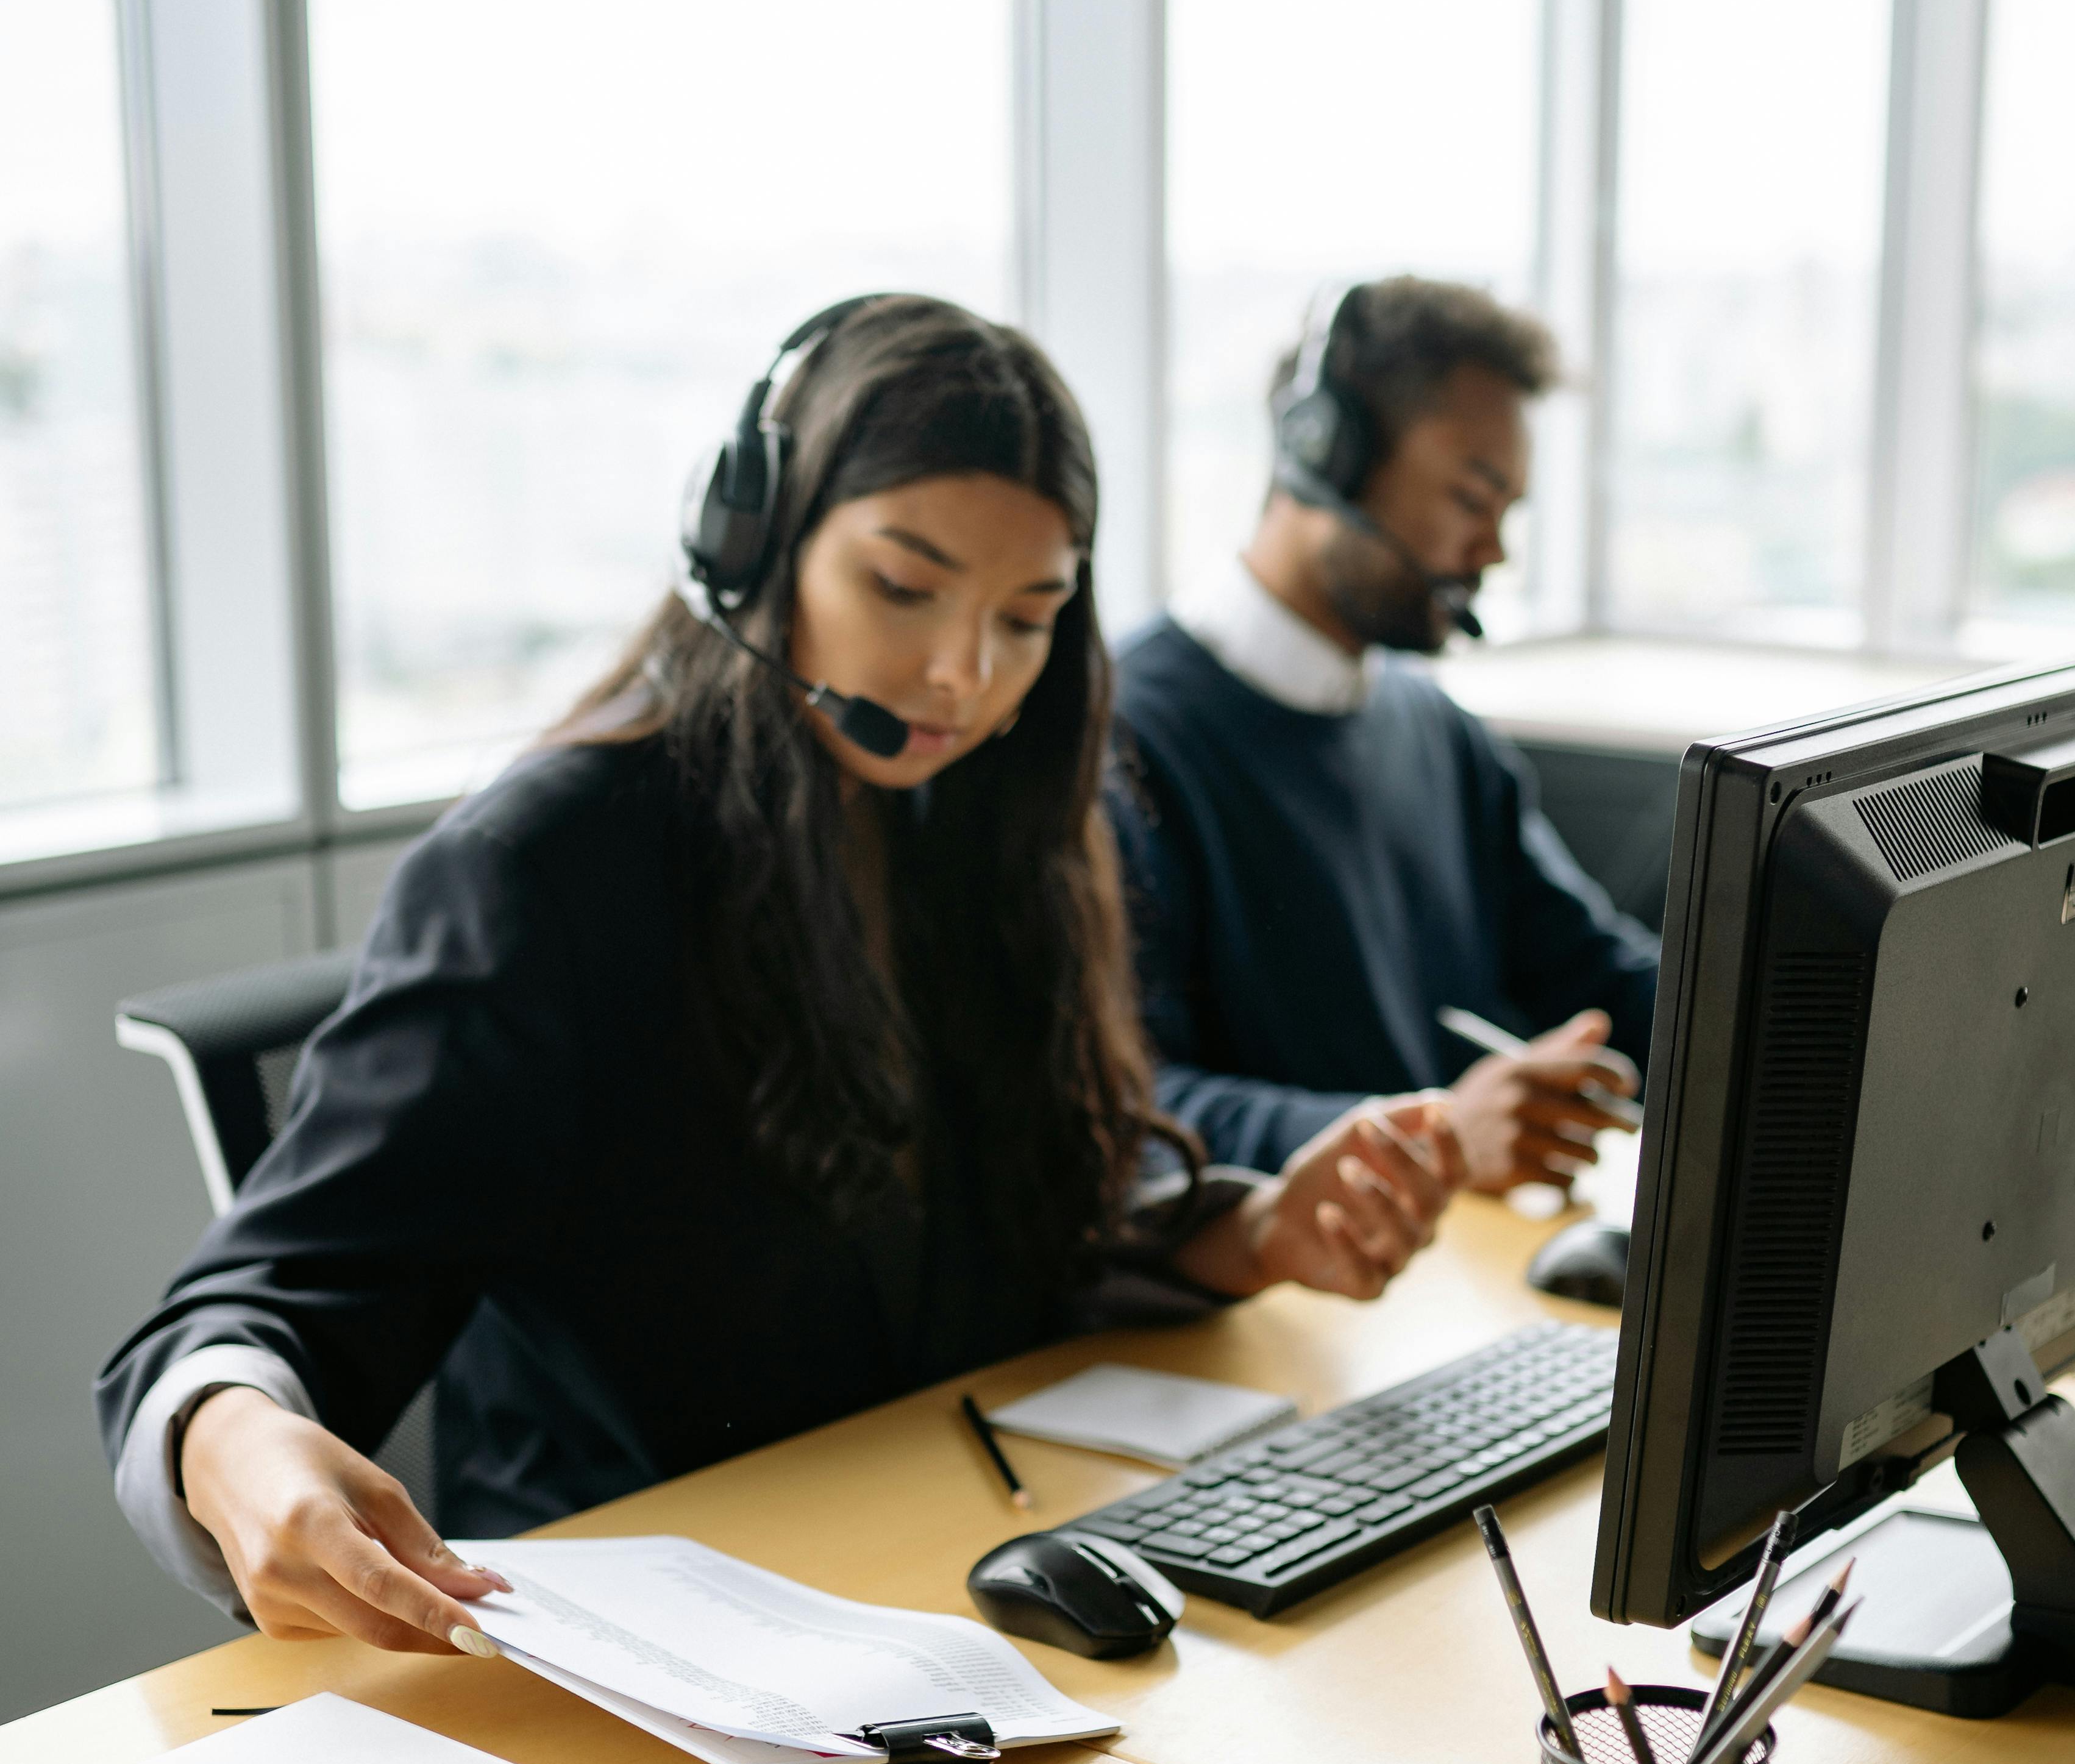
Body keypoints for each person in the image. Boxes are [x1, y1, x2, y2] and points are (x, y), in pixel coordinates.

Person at [98, 295, 1457, 1660]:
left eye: (1027, 619)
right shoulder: (548, 864)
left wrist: (1255, 1230)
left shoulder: (989, 826)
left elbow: (997, 1235)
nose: (962, 677)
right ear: (755, 547)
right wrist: (230, 1437)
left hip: (919, 1598)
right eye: (904, 587)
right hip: (633, 1644)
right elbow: (257, 1303)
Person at [1108, 276, 1659, 1189]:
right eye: (1471, 499)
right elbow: (1131, 1105)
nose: (1493, 552)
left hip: (1443, 1272)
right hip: (1271, 1298)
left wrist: (1808, 1010)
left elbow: (1590, 970)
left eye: (1506, 511)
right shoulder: (1126, 741)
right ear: (1324, 454)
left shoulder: (1433, 729)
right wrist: (1436, 1134)